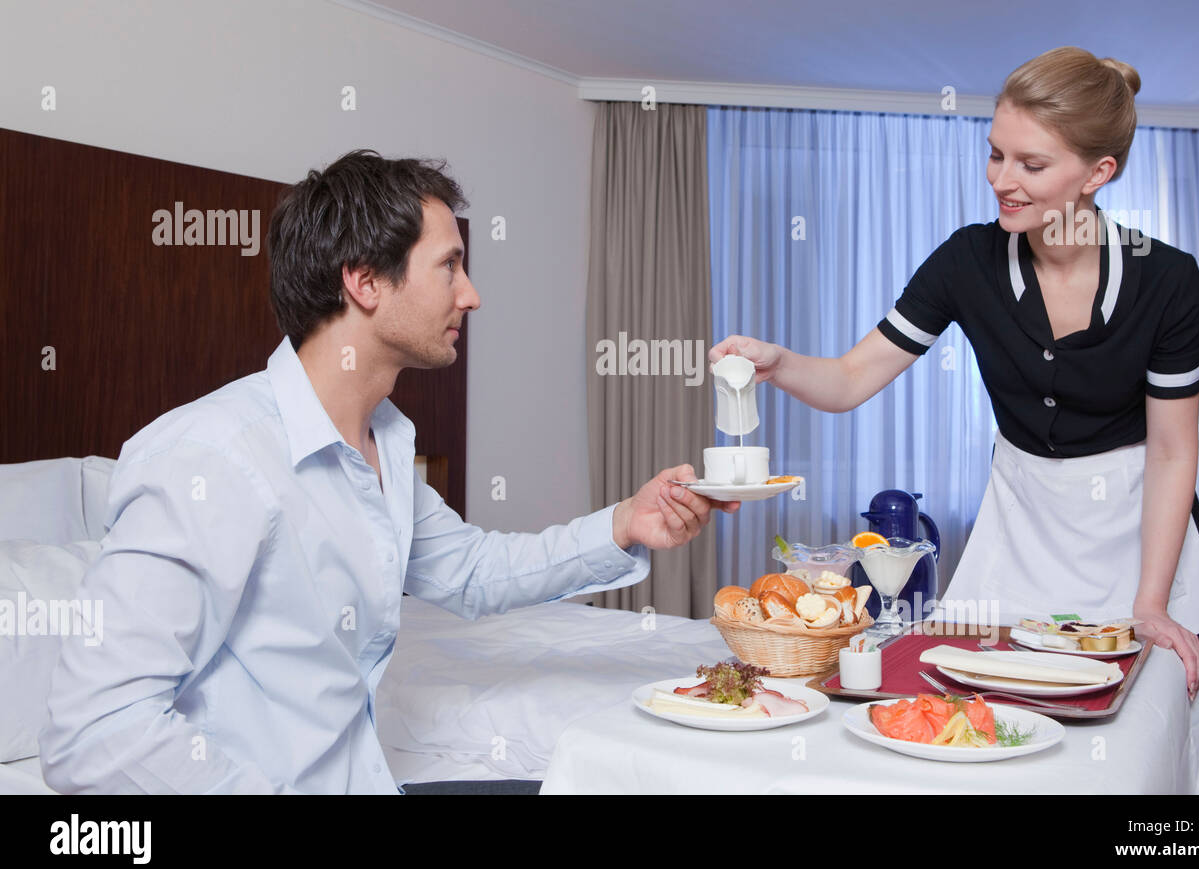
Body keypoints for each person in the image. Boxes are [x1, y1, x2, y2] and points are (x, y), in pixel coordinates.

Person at [39, 149, 740, 794]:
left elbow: (470, 573)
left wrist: (624, 523)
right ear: (366, 281)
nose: (471, 296)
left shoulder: (385, 443)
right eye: (450, 266)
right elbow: (95, 734)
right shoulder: (212, 457)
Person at [710, 47, 1199, 726]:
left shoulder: (1167, 279)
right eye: (995, 154)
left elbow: (1170, 452)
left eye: (1031, 164)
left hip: (1140, 533)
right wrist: (781, 363)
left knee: (1145, 731)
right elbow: (847, 379)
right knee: (978, 719)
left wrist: (1152, 603)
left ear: (1100, 171)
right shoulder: (966, 260)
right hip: (1022, 521)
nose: (1002, 180)